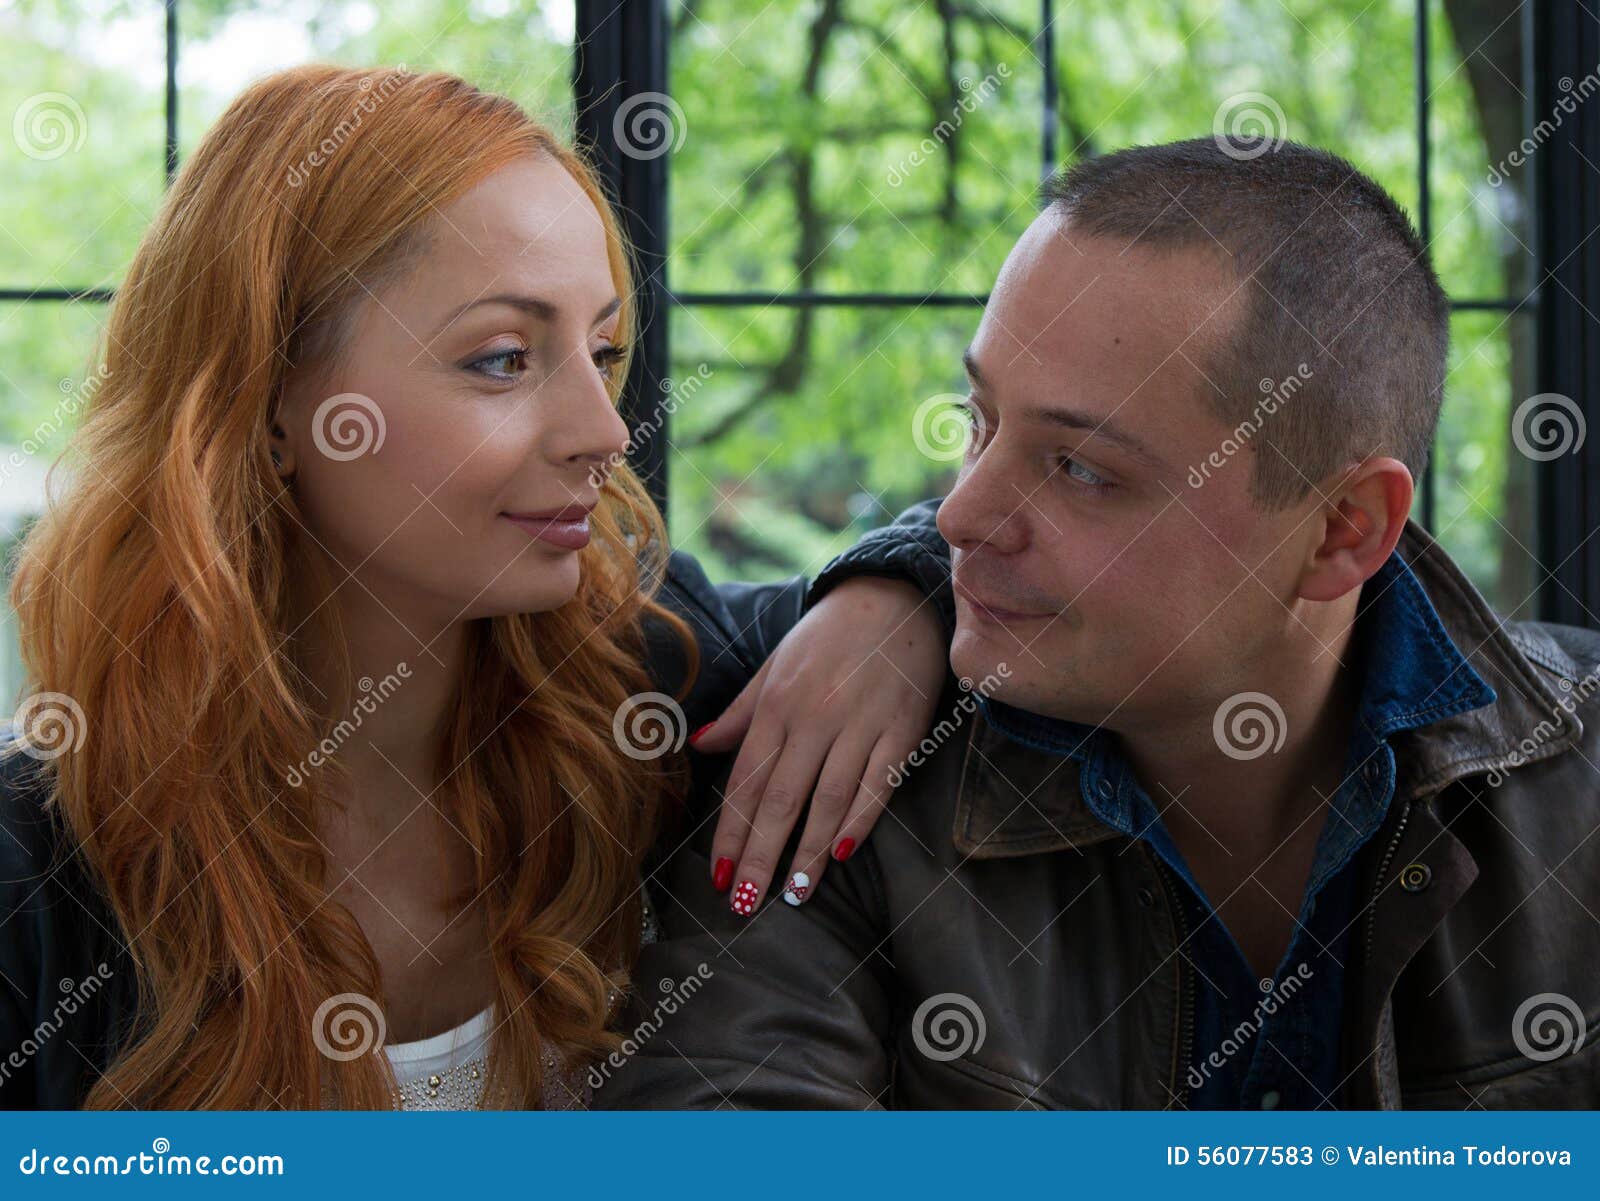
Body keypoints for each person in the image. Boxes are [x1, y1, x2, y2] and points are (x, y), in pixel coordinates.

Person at [0, 64, 953, 1110]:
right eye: (503, 359)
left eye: (603, 352)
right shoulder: (37, 869)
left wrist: (894, 600)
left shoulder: (664, 687)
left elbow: (1010, 559)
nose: (603, 431)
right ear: (269, 403)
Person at [592, 137, 1600, 1110]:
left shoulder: (1578, 797)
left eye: (1080, 468)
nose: (959, 515)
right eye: (980, 421)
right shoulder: (847, 770)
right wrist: (894, 581)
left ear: (1344, 527)